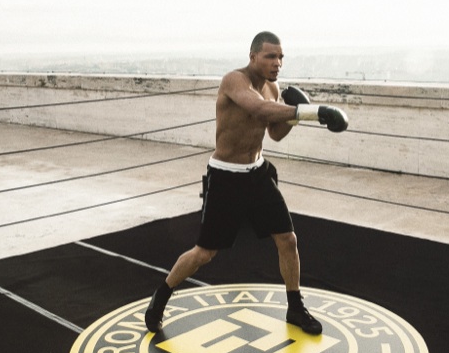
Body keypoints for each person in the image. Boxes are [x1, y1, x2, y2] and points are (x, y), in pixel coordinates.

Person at [144, 31, 349, 335]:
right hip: (225, 176)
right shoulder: (234, 81)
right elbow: (258, 109)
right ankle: (160, 298)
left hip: (258, 174)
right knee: (204, 253)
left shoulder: (274, 87)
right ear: (253, 57)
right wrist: (311, 112)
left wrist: (293, 118)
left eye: (281, 57)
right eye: (270, 56)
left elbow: (275, 133)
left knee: (288, 240)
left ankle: (295, 308)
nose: (277, 62)